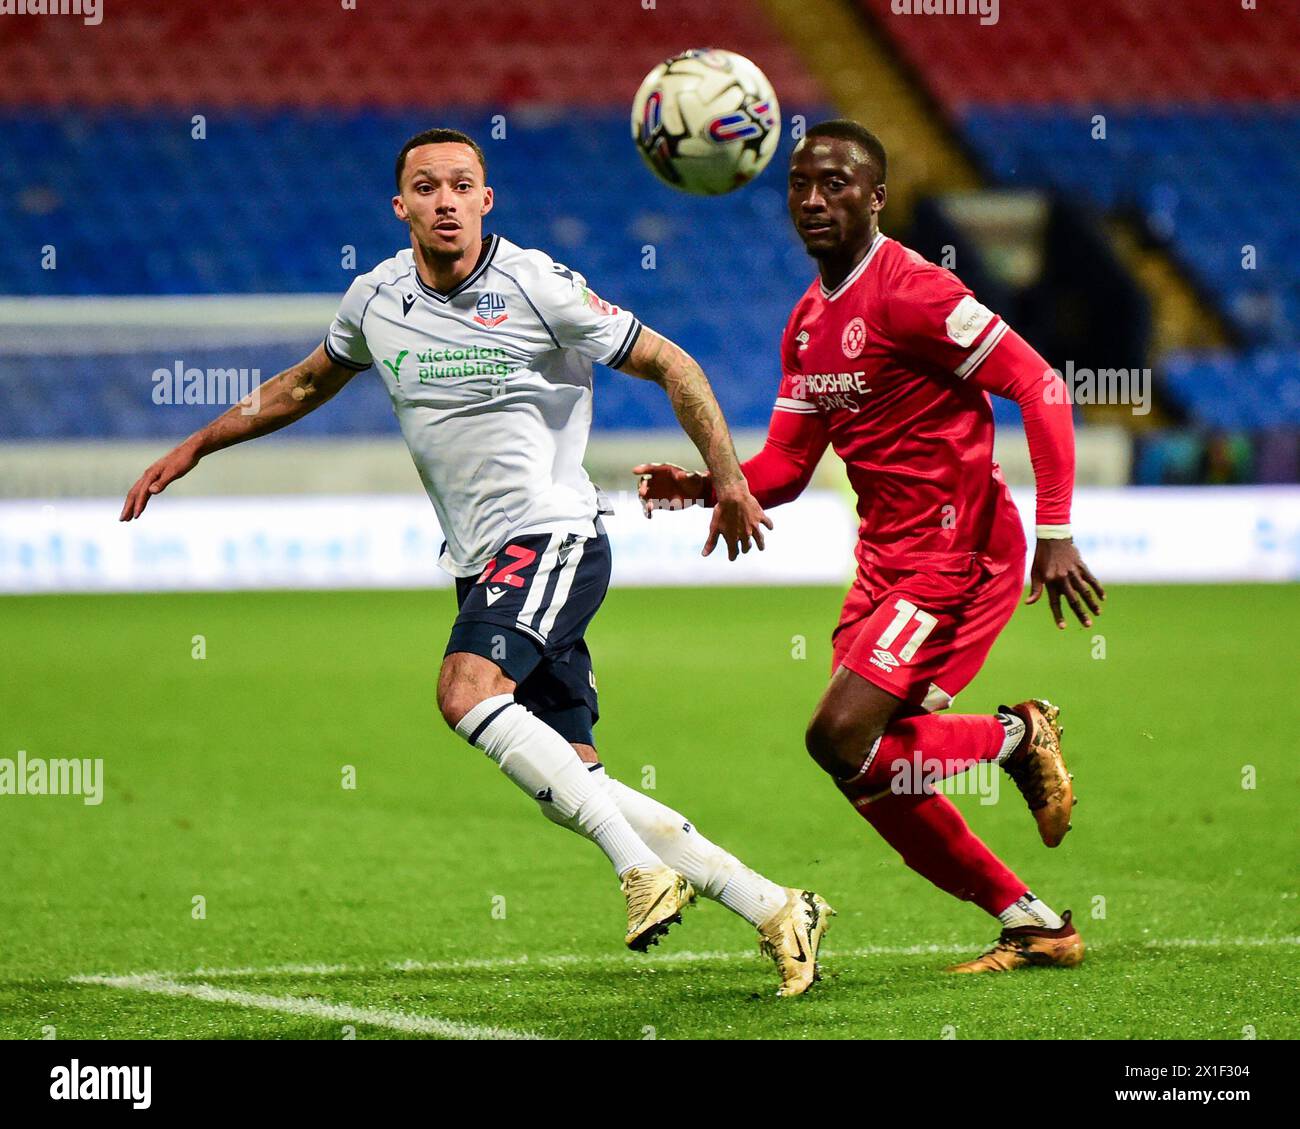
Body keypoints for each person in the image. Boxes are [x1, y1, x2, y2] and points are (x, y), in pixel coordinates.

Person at [120, 127, 833, 996]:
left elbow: (670, 361)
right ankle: (774, 906)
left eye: (462, 184)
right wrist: (196, 443)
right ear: (401, 206)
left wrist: (727, 476)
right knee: (573, 779)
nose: (446, 199)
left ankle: (642, 873)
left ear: (486, 199)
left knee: (464, 691)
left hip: (557, 535)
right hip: (481, 558)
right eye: (427, 187)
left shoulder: (537, 285)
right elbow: (305, 384)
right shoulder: (375, 297)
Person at [634, 119, 1105, 973]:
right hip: (887, 558)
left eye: (837, 184)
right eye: (801, 185)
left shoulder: (914, 291)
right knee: (866, 764)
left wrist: (1058, 532)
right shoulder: (809, 322)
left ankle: (1015, 736)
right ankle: (1031, 919)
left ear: (877, 197)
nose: (814, 200)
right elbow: (783, 465)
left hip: (958, 547)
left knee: (838, 735)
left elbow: (1039, 383)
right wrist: (715, 485)